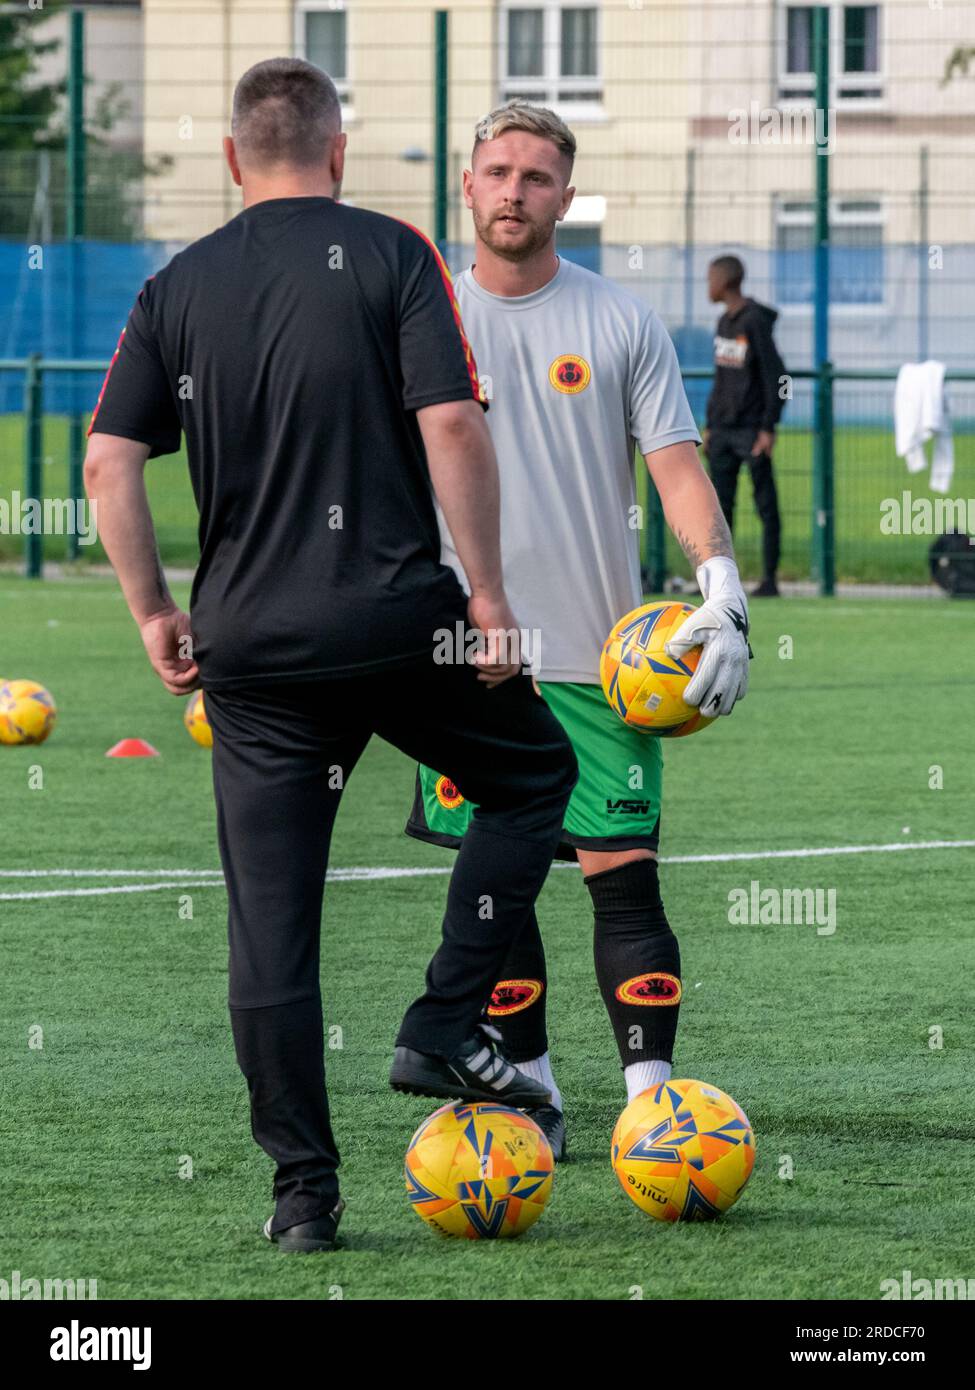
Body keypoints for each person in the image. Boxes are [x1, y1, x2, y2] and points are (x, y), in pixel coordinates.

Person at [83, 60, 577, 1254]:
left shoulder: (175, 286)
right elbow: (452, 420)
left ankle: (304, 1199)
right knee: (531, 779)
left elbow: (108, 461)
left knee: (273, 932)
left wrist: (156, 613)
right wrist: (494, 596)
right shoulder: (395, 252)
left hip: (249, 652)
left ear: (233, 162)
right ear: (340, 152)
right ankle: (446, 1018)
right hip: (399, 623)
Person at [404, 102, 752, 1161]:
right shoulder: (423, 321)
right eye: (498, 171)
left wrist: (723, 583)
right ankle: (532, 1094)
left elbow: (679, 468)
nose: (515, 190)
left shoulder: (620, 321)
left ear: (567, 193)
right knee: (498, 900)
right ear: (468, 185)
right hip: (470, 665)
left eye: (539, 176)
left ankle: (654, 1105)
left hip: (610, 663)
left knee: (624, 876)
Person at [703, 255, 787, 597]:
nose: (707, 286)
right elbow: (722, 379)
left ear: (725, 282)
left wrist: (768, 427)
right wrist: (710, 425)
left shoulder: (754, 322)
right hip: (722, 431)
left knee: (765, 504)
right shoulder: (723, 322)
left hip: (752, 431)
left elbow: (778, 376)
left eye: (710, 279)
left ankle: (769, 579)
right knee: (718, 508)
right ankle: (722, 584)